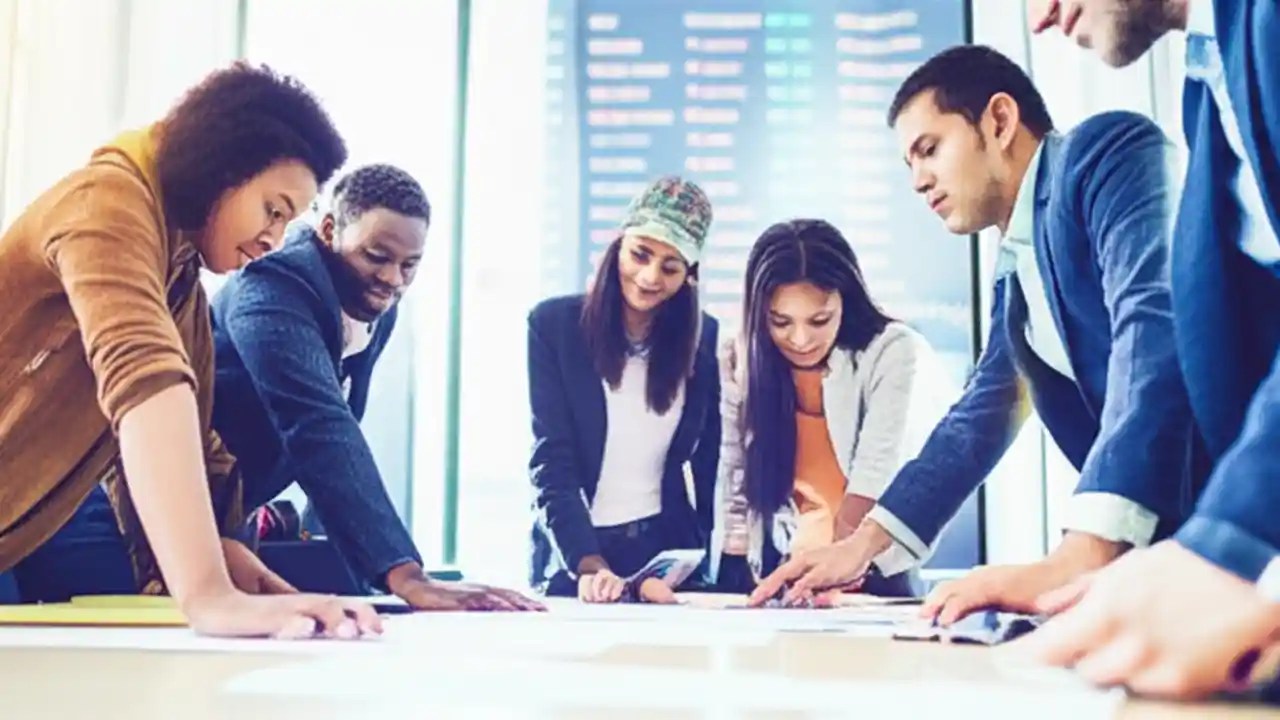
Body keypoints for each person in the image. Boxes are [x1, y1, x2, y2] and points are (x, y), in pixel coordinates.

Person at [749, 45, 1197, 622]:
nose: (919, 181)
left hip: (1241, 523)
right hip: (1174, 555)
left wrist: (1083, 551)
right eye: (909, 163)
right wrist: (860, 548)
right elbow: (979, 419)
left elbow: (1153, 328)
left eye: (929, 150)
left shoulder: (1104, 155)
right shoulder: (1015, 270)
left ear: (1000, 121)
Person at [0, 62, 381, 639]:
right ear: (224, 169)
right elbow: (145, 378)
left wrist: (224, 553)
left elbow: (197, 439)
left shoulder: (178, 272)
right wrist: (207, 595)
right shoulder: (105, 204)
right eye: (273, 209)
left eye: (288, 221)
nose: (274, 239)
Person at [1007, 0, 1280, 700]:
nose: (1038, 19)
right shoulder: (1209, 88)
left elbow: (1150, 327)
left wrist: (1232, 544)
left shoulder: (1110, 154)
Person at [211, 163, 543, 611]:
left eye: (410, 264)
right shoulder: (272, 285)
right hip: (149, 515)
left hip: (228, 519)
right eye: (376, 256)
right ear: (330, 230)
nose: (393, 279)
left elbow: (344, 422)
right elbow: (317, 424)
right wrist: (406, 574)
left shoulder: (375, 306)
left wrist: (342, 559)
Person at [709, 219, 950, 598]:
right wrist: (734, 565)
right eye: (781, 322)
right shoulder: (738, 357)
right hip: (788, 566)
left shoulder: (891, 351)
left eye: (819, 320)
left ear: (845, 301)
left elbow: (876, 470)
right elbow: (734, 470)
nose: (801, 339)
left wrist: (839, 565)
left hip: (871, 565)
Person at [526, 175, 720, 603]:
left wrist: (708, 558)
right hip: (578, 554)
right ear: (618, 246)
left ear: (689, 275)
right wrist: (588, 564)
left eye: (670, 267)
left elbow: (709, 461)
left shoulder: (702, 338)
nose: (649, 277)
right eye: (640, 254)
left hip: (665, 557)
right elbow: (551, 461)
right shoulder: (554, 327)